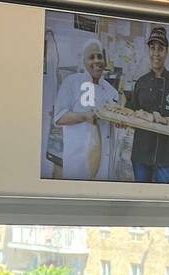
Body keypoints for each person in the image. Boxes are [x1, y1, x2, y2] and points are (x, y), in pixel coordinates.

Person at [126, 25, 169, 183]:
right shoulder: (141, 82)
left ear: (166, 52)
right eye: (152, 48)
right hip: (141, 153)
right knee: (141, 197)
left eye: (160, 49)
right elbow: (130, 111)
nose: (156, 53)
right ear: (149, 51)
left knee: (164, 199)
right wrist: (122, 121)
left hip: (165, 155)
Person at [52, 39, 120, 181]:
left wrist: (120, 123)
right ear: (83, 61)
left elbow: (113, 122)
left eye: (99, 56)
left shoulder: (112, 91)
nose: (97, 61)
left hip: (105, 165)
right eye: (91, 57)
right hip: (78, 162)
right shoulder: (71, 83)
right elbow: (58, 118)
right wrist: (84, 117)